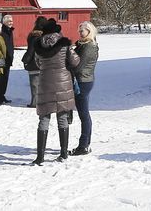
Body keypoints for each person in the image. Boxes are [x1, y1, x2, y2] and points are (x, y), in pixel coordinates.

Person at [31, 19, 80, 164]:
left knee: (44, 119)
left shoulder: (39, 44)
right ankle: (63, 154)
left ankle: (40, 157)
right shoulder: (65, 44)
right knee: (62, 117)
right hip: (63, 83)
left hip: (45, 82)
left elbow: (38, 63)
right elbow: (75, 61)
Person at [71, 21, 99, 156]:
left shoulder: (88, 47)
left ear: (89, 31)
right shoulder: (83, 45)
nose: (80, 33)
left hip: (83, 81)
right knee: (84, 114)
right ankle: (85, 144)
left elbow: (78, 66)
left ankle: (83, 145)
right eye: (79, 31)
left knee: (84, 114)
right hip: (85, 80)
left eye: (82, 31)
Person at [21, 16, 46, 108]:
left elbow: (31, 50)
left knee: (34, 84)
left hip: (34, 63)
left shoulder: (34, 37)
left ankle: (35, 102)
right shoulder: (48, 36)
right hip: (46, 63)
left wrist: (25, 60)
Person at [0, 14, 15, 105]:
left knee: (5, 79)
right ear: (4, 22)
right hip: (1, 58)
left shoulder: (10, 31)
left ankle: (2, 95)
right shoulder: (2, 31)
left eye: (11, 21)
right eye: (9, 21)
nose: (11, 23)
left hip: (8, 58)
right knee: (0, 78)